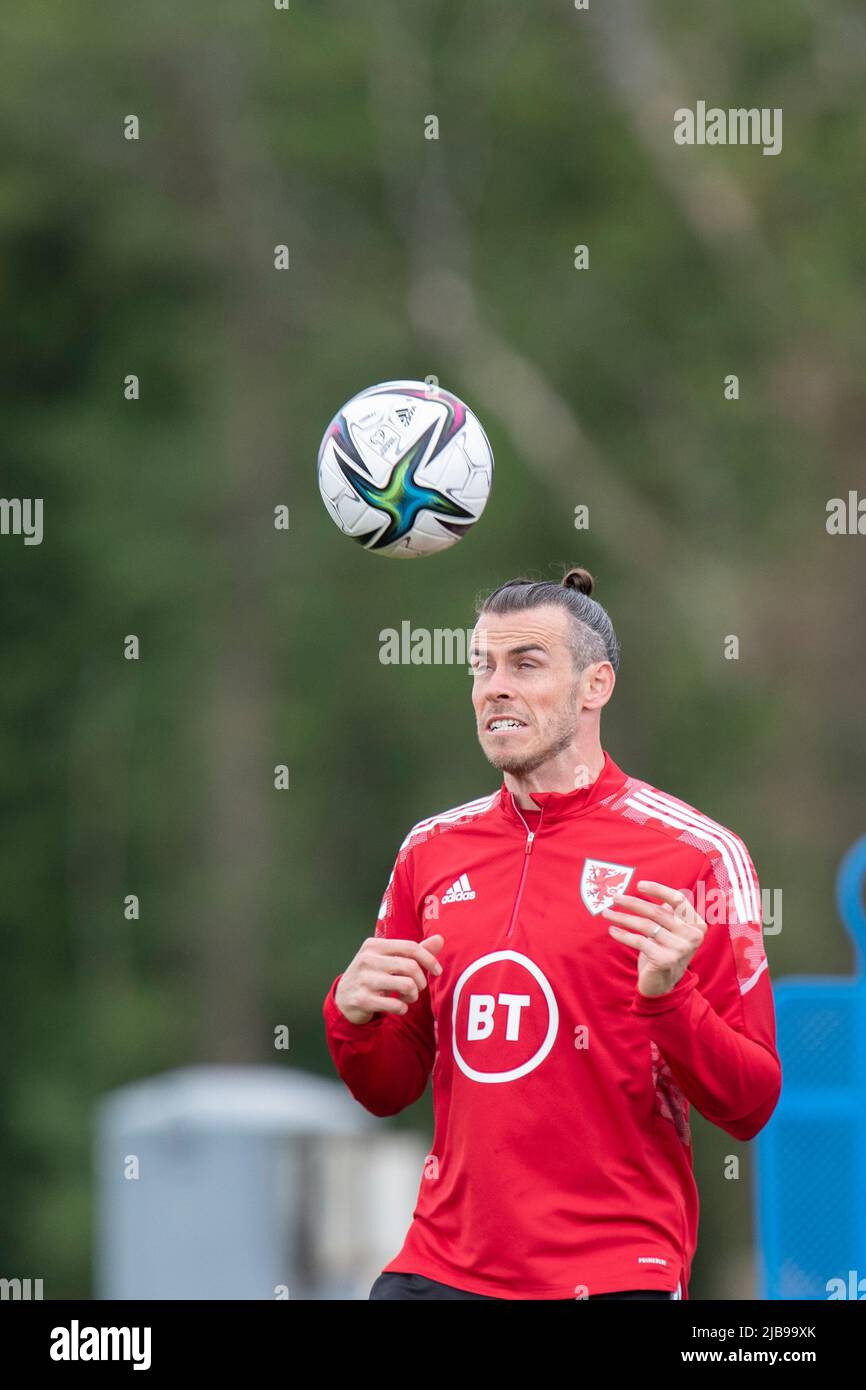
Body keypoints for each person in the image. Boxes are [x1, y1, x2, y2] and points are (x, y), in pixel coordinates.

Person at [322, 568, 782, 1301]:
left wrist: (671, 1002)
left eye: (525, 665)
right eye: (483, 667)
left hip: (610, 1274)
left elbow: (752, 1102)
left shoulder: (696, 853)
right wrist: (348, 1016)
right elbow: (388, 1088)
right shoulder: (429, 851)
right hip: (440, 1268)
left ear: (595, 686)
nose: (493, 688)